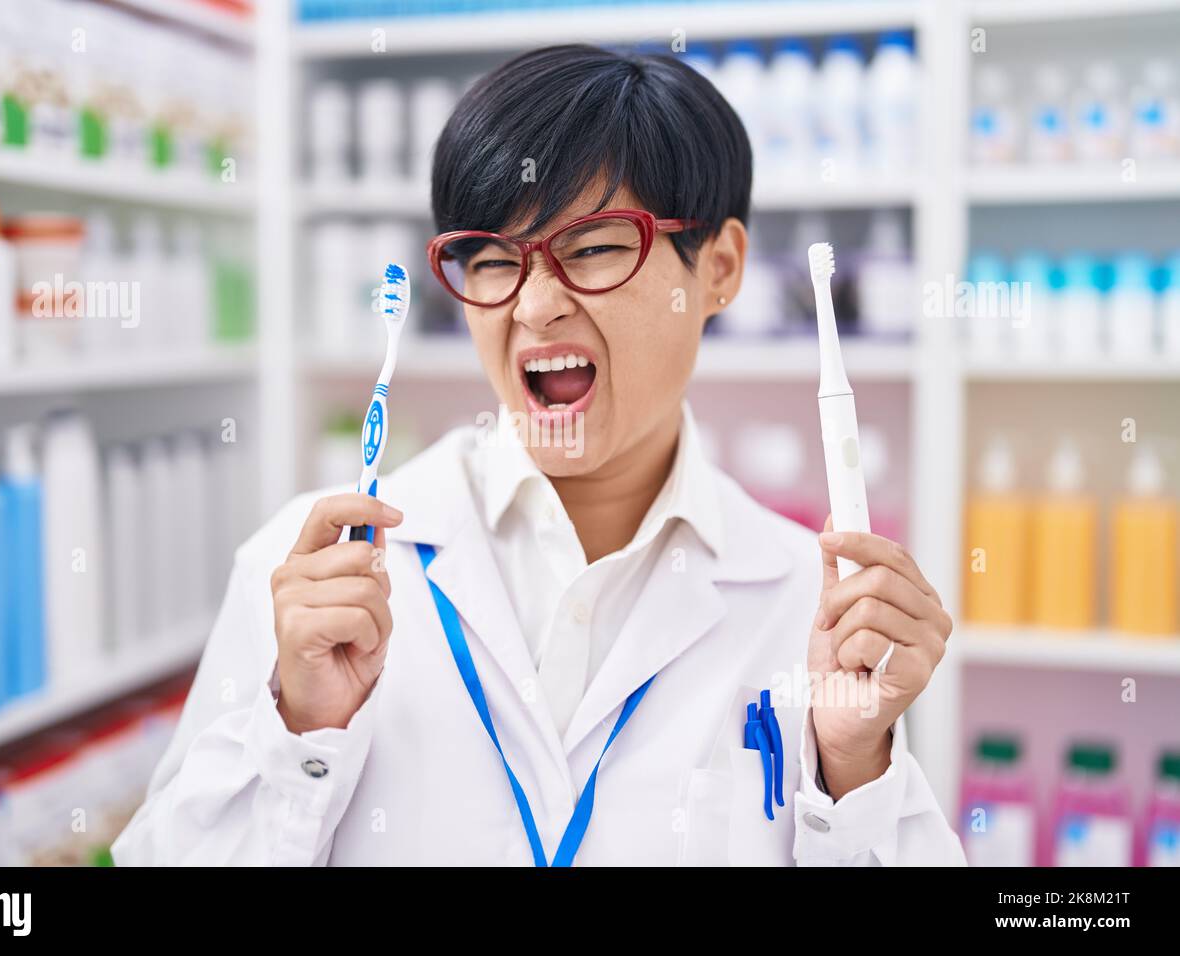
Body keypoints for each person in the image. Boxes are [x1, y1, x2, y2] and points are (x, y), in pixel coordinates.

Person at [113, 44, 964, 866]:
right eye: (490, 259)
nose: (534, 305)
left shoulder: (808, 606)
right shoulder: (311, 576)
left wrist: (855, 769)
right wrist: (299, 733)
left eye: (593, 246)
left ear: (720, 269)